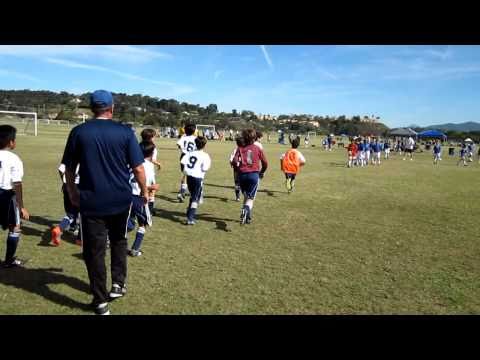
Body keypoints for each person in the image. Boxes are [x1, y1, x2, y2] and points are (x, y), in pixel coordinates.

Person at [62, 90, 147, 315]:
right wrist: (145, 192)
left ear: (91, 108)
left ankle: (100, 300)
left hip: (91, 199)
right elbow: (138, 168)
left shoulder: (79, 131)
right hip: (120, 198)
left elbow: (69, 169)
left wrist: (72, 191)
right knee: (119, 240)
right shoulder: (125, 132)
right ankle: (118, 284)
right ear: (112, 107)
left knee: (95, 250)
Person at [0, 125, 29, 268]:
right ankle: (9, 260)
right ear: (11, 142)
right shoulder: (14, 159)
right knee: (15, 227)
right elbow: (17, 184)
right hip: (6, 197)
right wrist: (21, 206)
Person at [126, 141, 158, 257]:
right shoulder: (149, 166)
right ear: (152, 153)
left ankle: (110, 238)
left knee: (127, 222)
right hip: (139, 197)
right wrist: (152, 187)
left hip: (126, 195)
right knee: (142, 223)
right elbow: (144, 184)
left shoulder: (131, 162)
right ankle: (135, 248)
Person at [230, 129, 268, 225]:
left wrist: (238, 169)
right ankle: (246, 210)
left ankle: (247, 217)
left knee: (246, 196)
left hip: (242, 175)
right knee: (250, 198)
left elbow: (234, 161)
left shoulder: (240, 148)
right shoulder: (257, 148)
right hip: (253, 174)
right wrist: (262, 171)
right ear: (255, 138)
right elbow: (265, 163)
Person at [180, 136, 211, 225]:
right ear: (205, 145)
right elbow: (205, 168)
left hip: (189, 176)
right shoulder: (205, 155)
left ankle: (189, 211)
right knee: (195, 198)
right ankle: (190, 218)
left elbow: (183, 162)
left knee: (193, 195)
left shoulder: (190, 153)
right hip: (198, 177)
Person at [51, 163, 81, 246]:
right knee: (84, 213)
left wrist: (64, 182)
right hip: (79, 188)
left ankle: (60, 228)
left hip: (67, 186)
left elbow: (60, 169)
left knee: (71, 213)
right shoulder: (87, 156)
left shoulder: (70, 157)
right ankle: (80, 239)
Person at [140, 128, 162, 214]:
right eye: (154, 137)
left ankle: (147, 207)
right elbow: (151, 159)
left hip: (139, 167)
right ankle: (150, 208)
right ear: (150, 137)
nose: (154, 138)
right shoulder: (152, 147)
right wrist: (158, 164)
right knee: (152, 189)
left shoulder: (139, 145)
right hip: (148, 169)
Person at [176, 123, 197, 202]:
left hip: (184, 156)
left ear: (185, 130)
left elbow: (179, 145)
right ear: (194, 131)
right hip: (193, 157)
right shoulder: (195, 138)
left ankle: (182, 191)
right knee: (192, 175)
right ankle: (190, 192)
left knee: (185, 174)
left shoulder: (183, 137)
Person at [229, 136, 245, 201]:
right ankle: (245, 194)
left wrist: (232, 165)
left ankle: (237, 197)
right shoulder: (246, 150)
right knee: (243, 182)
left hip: (236, 169)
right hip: (244, 169)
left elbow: (231, 159)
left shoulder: (235, 150)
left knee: (236, 183)